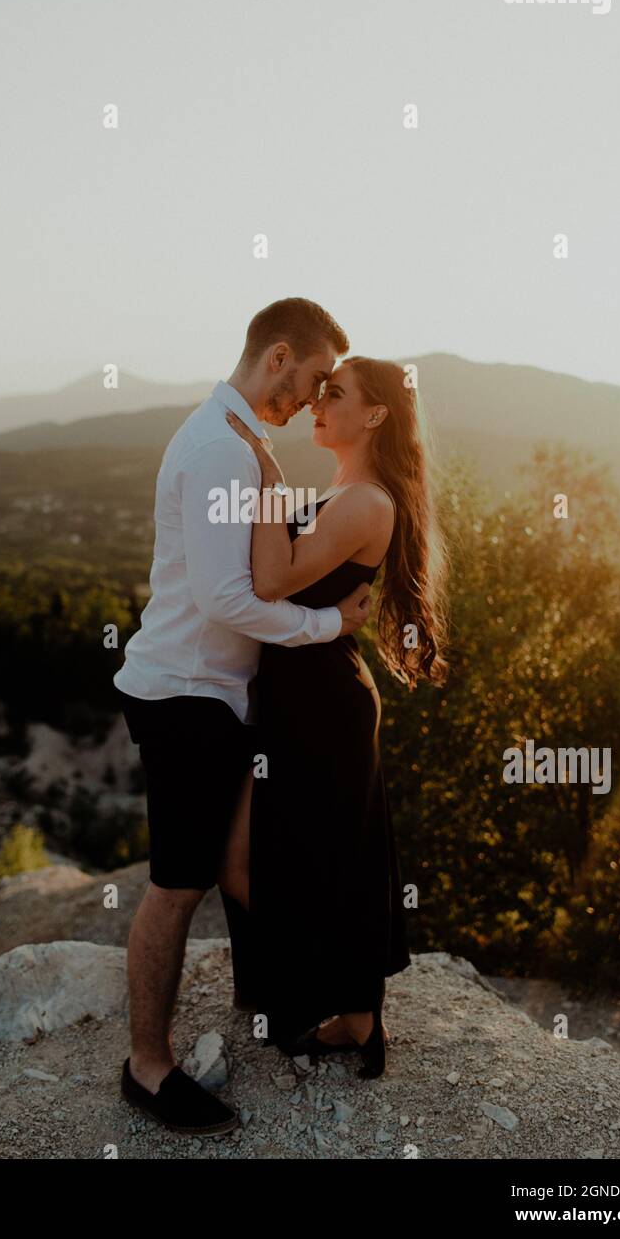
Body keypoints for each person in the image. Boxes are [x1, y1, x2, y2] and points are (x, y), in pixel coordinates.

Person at [114, 298, 372, 1135]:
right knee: (175, 888)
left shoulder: (236, 442)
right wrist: (329, 626)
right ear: (277, 357)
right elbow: (230, 599)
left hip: (215, 694)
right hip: (188, 694)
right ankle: (147, 1069)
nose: (311, 396)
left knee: (236, 864)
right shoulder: (221, 452)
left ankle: (298, 1007)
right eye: (310, 379)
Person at [220, 356, 448, 1078]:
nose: (318, 404)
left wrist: (263, 473)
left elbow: (271, 578)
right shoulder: (350, 490)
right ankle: (343, 1011)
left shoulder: (365, 502)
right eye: (320, 393)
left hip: (321, 699)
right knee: (274, 856)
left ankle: (346, 1015)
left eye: (335, 395)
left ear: (375, 415)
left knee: (299, 858)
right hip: (302, 689)